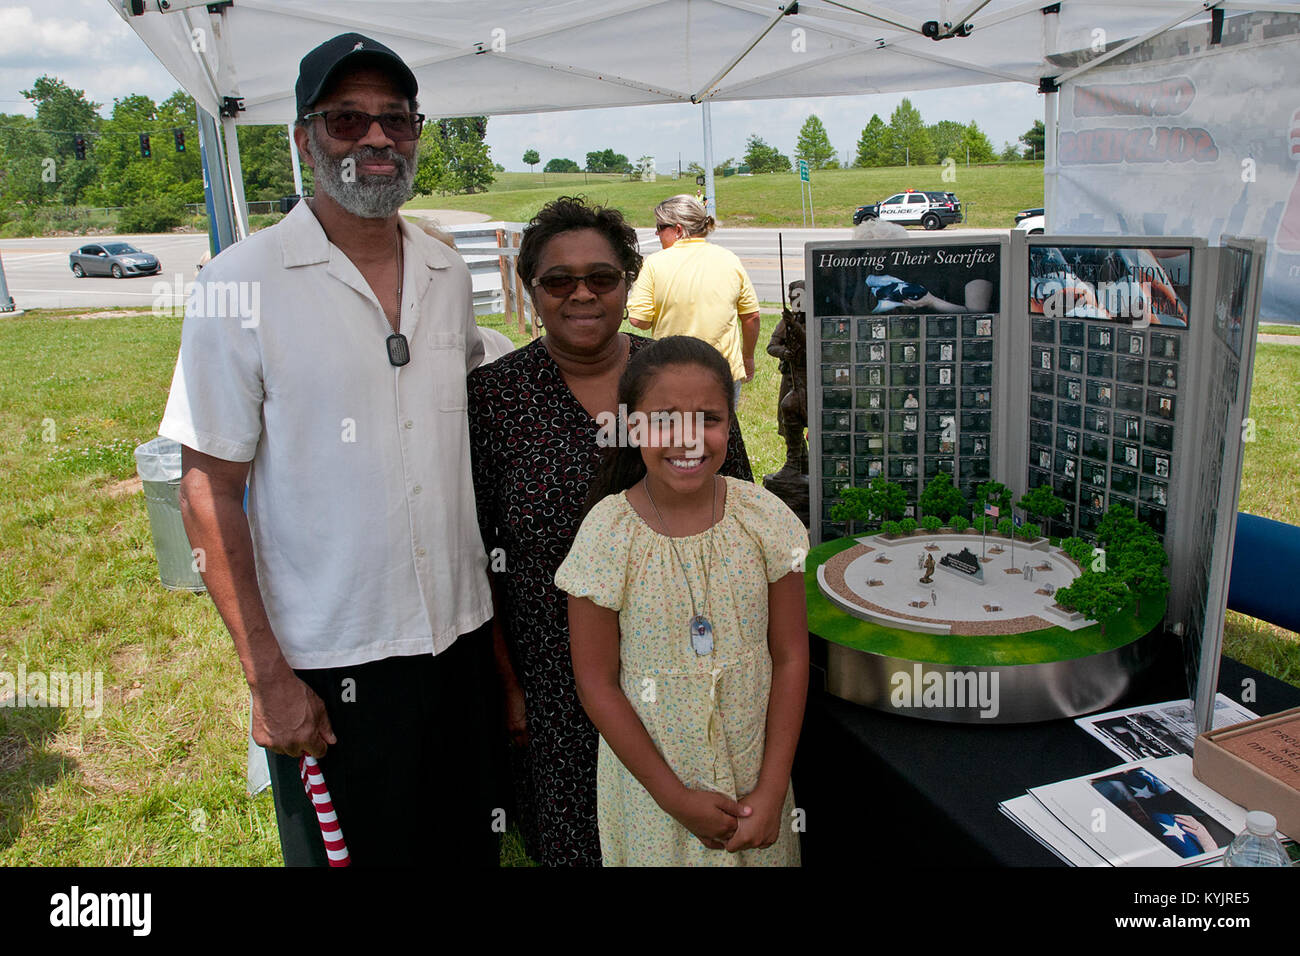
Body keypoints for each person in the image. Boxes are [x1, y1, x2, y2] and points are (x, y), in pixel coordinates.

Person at [160, 32, 499, 866]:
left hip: (458, 645)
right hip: (332, 664)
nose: (377, 138)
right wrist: (267, 676)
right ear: (305, 138)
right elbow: (206, 490)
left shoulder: (446, 274)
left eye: (396, 119)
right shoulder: (240, 282)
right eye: (348, 119)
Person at [468, 197, 754, 867]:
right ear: (530, 289)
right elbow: (478, 552)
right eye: (558, 280)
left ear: (630, 281)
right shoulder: (493, 398)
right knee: (583, 845)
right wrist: (509, 685)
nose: (582, 294)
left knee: (691, 836)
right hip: (558, 681)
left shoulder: (680, 375)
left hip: (688, 663)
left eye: (602, 277)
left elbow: (738, 509)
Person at [558, 336, 807, 866]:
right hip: (654, 800)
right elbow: (596, 683)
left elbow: (790, 656)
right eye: (664, 419)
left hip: (753, 786)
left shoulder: (764, 519)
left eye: (709, 417)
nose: (688, 437)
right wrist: (675, 799)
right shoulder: (607, 535)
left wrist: (771, 789)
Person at [626, 195, 761, 406]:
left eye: (661, 227)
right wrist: (748, 357)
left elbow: (638, 320)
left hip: (670, 372)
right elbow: (751, 316)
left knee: (675, 436)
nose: (657, 233)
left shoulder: (654, 263)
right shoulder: (729, 259)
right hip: (723, 372)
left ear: (678, 230)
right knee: (719, 435)